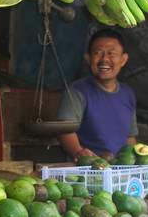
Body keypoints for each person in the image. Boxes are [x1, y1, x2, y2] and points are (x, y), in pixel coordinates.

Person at [56, 29, 138, 161]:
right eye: (98, 53)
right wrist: (79, 152)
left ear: (123, 60)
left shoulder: (128, 94)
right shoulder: (76, 91)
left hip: (121, 168)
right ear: (88, 58)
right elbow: (65, 131)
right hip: (89, 168)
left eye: (111, 53)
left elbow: (130, 137)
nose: (104, 59)